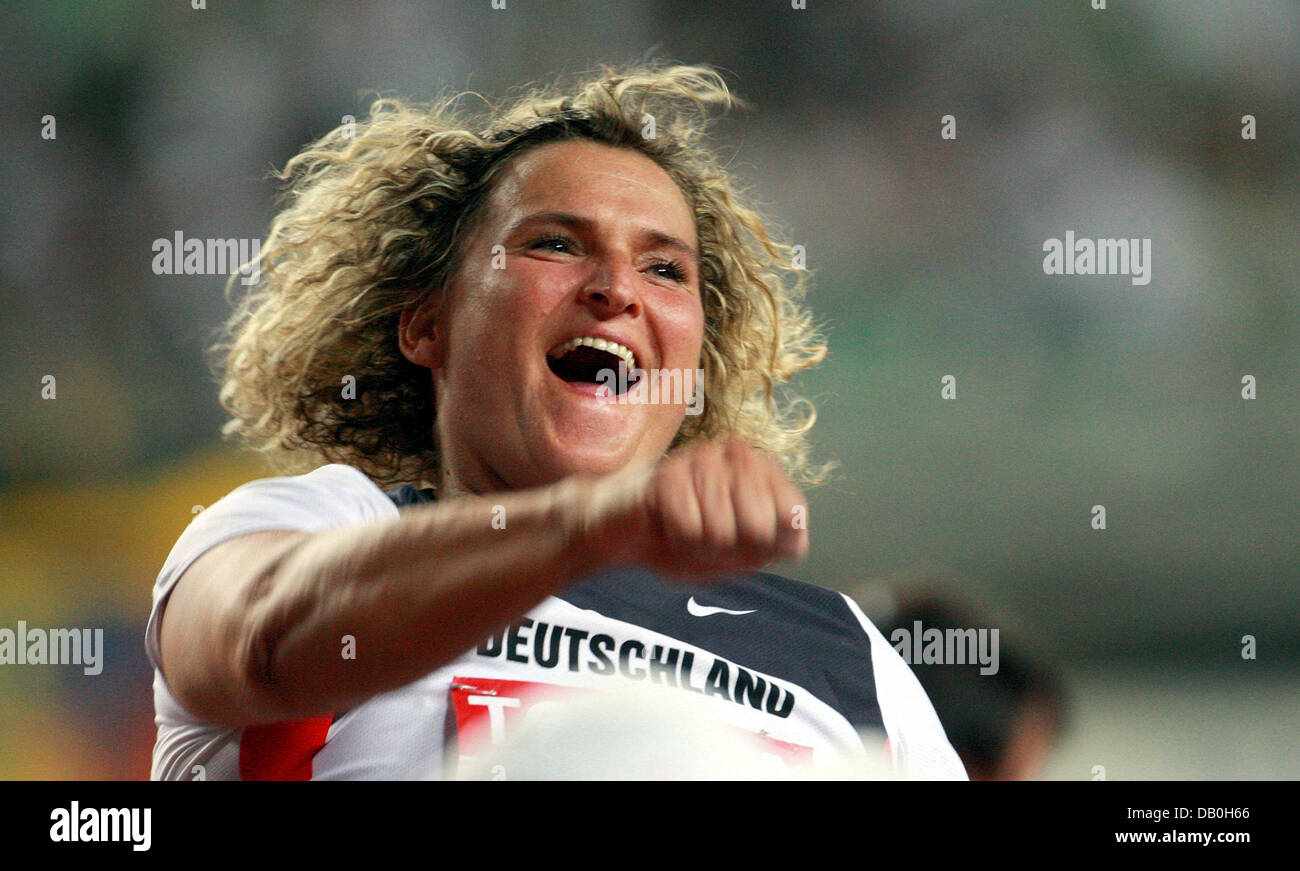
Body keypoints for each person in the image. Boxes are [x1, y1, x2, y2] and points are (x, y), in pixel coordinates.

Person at [146, 64, 966, 780]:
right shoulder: (316, 526)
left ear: (694, 371)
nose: (617, 287)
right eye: (555, 244)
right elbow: (259, 639)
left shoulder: (852, 658)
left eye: (663, 267)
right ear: (427, 324)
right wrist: (590, 525)